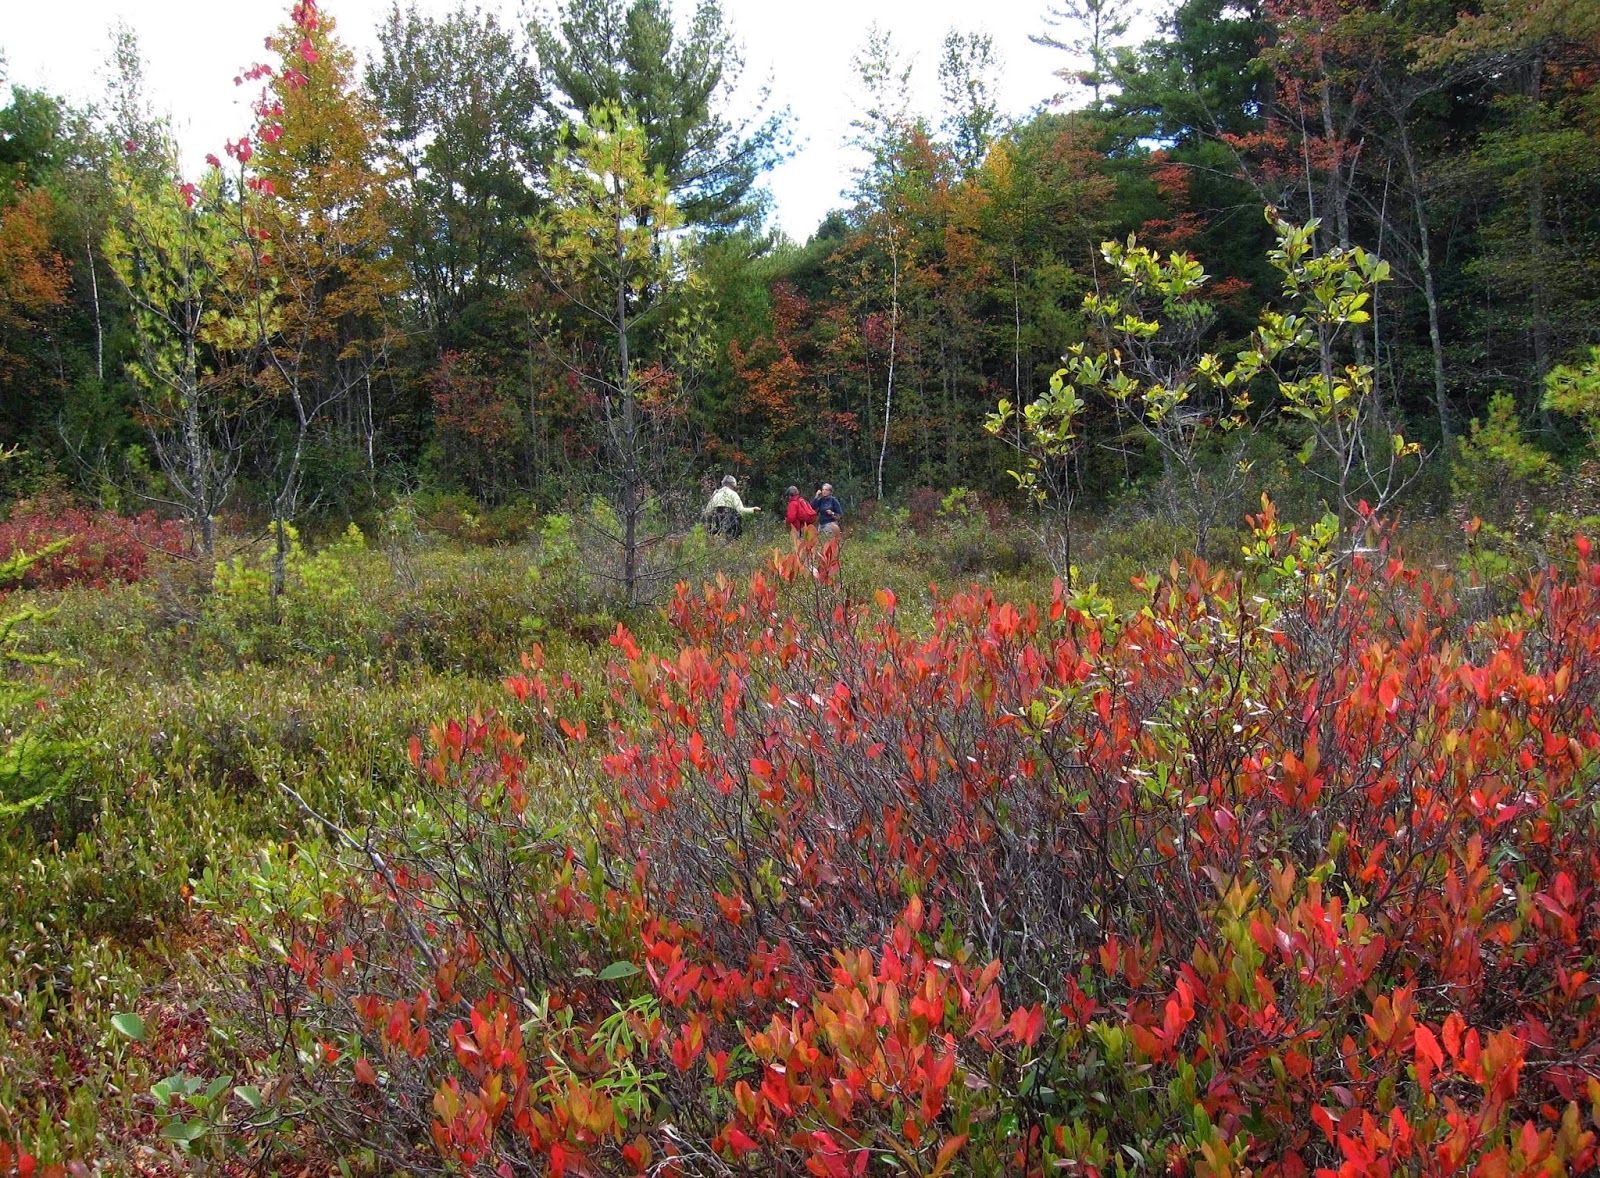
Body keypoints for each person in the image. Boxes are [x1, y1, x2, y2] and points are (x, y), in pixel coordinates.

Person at [702, 474, 759, 540]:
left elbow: (708, 510)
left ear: (723, 483)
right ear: (733, 485)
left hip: (716, 521)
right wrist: (753, 510)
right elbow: (741, 510)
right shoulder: (733, 494)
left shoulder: (716, 493)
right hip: (730, 522)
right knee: (731, 539)